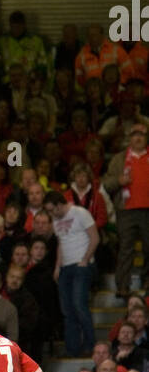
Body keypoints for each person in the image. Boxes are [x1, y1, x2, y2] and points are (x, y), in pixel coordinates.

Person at [45, 190, 99, 358]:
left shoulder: (80, 213)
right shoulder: (56, 219)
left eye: (52, 209)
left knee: (79, 305)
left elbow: (95, 238)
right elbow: (61, 242)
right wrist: (57, 266)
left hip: (81, 265)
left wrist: (85, 260)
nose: (51, 214)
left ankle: (90, 345)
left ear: (60, 205)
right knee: (67, 310)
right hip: (66, 267)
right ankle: (72, 348)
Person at [103, 122, 149, 298]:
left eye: (141, 135)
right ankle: (123, 285)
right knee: (125, 249)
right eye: (134, 135)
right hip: (126, 209)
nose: (138, 138)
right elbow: (106, 184)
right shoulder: (119, 159)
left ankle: (147, 280)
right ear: (129, 138)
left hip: (147, 210)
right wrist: (118, 181)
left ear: (146, 138)